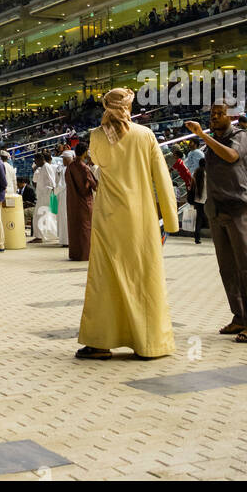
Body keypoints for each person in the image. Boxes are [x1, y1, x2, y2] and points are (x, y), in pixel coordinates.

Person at [76, 88, 179, 360]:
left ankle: (100, 342)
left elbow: (97, 161)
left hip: (108, 216)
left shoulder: (96, 136)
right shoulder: (145, 135)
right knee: (145, 276)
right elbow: (161, 177)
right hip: (141, 217)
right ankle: (149, 344)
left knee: (105, 277)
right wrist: (170, 218)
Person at [185, 102, 247, 343]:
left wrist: (201, 135)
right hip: (217, 209)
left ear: (231, 117)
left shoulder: (240, 135)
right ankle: (240, 317)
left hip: (239, 207)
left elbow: (231, 156)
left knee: (246, 265)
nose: (214, 117)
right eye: (212, 114)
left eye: (220, 114)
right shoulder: (213, 141)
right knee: (227, 268)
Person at [65, 142, 97, 262]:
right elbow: (94, 185)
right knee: (85, 228)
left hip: (72, 201)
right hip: (84, 202)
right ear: (85, 152)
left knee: (74, 227)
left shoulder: (70, 166)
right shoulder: (84, 168)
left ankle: (75, 253)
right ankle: (85, 254)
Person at [31, 150, 57, 244]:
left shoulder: (46, 167)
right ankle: (41, 235)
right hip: (43, 195)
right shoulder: (42, 168)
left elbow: (52, 181)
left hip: (47, 195)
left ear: (41, 159)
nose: (36, 163)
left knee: (39, 215)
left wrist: (51, 195)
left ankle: (39, 237)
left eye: (36, 161)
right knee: (42, 216)